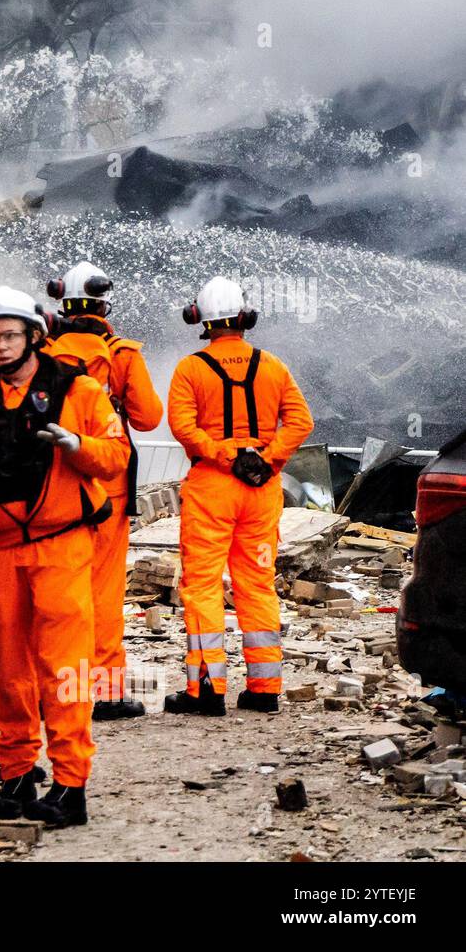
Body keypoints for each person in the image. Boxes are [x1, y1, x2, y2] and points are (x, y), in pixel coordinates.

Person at [0, 286, 129, 827]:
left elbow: (115, 455)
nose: (0, 346)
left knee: (65, 665)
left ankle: (71, 783)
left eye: (9, 335)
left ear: (34, 335)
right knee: (9, 668)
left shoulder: (77, 388)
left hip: (62, 542)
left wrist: (75, 444)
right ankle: (17, 773)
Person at [163, 276, 313, 716]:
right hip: (261, 491)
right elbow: (301, 421)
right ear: (246, 318)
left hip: (212, 488)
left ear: (200, 320)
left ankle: (207, 690)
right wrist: (267, 460)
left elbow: (183, 428)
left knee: (203, 586)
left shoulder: (191, 369)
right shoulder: (272, 365)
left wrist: (226, 456)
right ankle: (265, 689)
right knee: (257, 586)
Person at [44, 262, 163, 719]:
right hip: (108, 487)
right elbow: (149, 418)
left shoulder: (41, 350)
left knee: (57, 587)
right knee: (105, 592)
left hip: (54, 486)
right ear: (103, 304)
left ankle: (54, 688)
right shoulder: (122, 353)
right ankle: (106, 692)